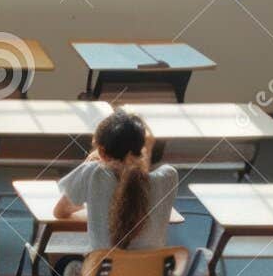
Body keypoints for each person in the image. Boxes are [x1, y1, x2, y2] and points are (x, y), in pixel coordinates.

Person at [53, 108, 179, 253]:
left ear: (101, 152)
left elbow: (60, 212)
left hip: (102, 272)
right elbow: (138, 176)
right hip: (151, 272)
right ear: (143, 147)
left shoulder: (93, 172)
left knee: (59, 243)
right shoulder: (169, 176)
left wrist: (90, 198)